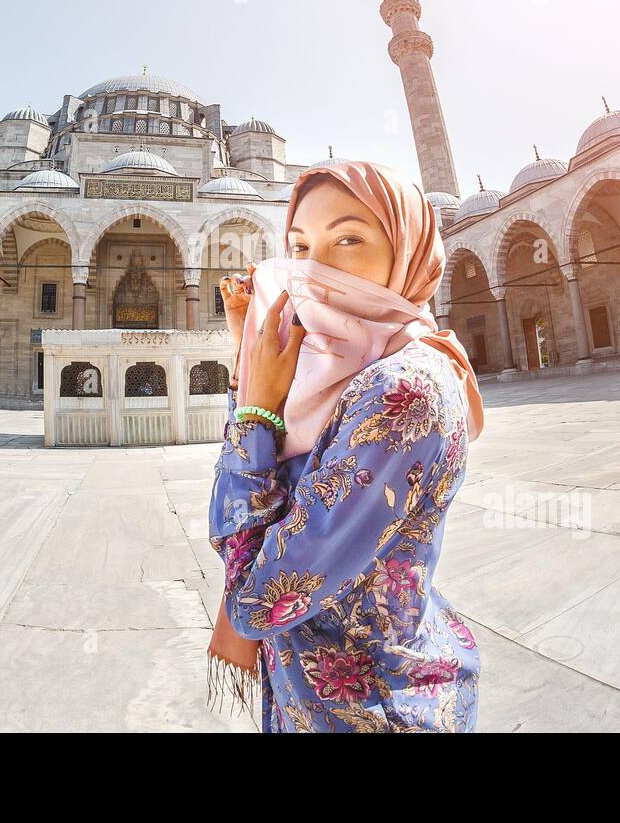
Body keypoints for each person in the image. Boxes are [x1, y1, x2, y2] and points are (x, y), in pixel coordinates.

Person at [205, 159, 486, 733]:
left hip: (374, 710)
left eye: (349, 239)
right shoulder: (353, 368)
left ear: (406, 252)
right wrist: (249, 369)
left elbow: (261, 597)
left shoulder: (403, 387)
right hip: (320, 697)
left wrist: (256, 409)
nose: (314, 269)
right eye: (300, 245)